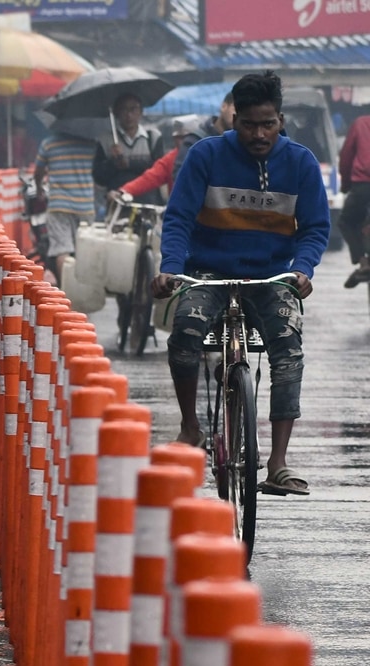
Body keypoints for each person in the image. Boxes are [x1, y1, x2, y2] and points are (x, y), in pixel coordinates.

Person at [151, 70, 328, 496]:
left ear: (280, 120)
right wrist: (171, 267)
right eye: (250, 123)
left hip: (271, 277)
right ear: (235, 121)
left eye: (268, 123)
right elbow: (177, 220)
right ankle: (190, 427)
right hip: (208, 273)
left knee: (288, 349)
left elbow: (316, 228)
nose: (259, 133)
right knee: (186, 333)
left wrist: (303, 268)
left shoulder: (301, 162)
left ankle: (278, 462)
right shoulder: (205, 156)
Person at [33, 129, 98, 283]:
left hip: (59, 205)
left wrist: (38, 188)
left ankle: (67, 295)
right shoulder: (92, 144)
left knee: (62, 249)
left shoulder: (49, 144)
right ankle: (84, 290)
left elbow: (38, 172)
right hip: (85, 206)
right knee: (84, 250)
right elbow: (99, 172)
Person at [93, 93, 166, 197]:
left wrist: (129, 163)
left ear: (141, 112)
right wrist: (113, 163)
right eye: (124, 110)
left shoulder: (152, 137)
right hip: (118, 201)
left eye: (133, 109)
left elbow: (159, 170)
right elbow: (99, 178)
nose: (129, 115)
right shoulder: (106, 140)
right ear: (116, 113)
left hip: (149, 202)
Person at [339, 111, 370, 287]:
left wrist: (345, 185)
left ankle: (362, 261)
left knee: (346, 221)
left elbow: (346, 156)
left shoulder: (360, 123)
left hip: (363, 185)